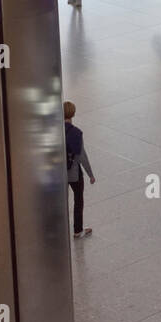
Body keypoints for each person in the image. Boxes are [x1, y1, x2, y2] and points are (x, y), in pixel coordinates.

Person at [64, 101, 95, 238]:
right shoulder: (76, 133)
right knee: (78, 200)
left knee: (60, 202)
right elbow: (82, 156)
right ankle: (78, 230)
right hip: (75, 174)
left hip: (58, 174)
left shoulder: (55, 131)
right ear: (73, 114)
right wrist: (90, 174)